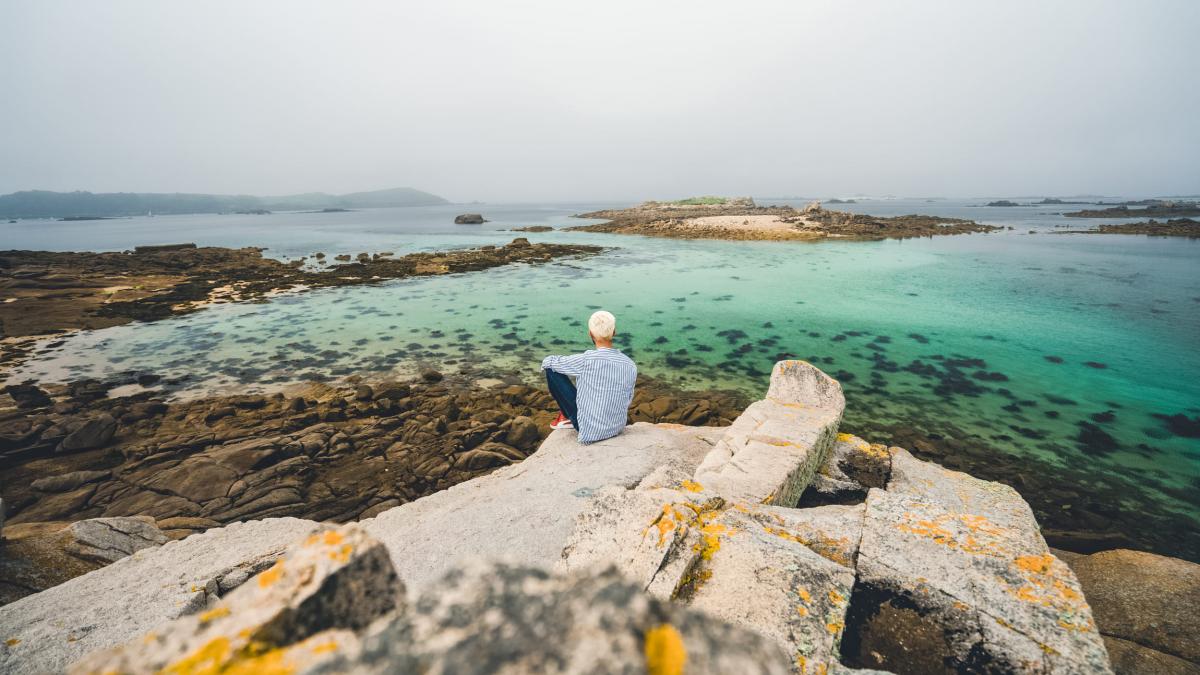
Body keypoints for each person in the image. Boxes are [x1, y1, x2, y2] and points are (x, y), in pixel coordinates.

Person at [541, 310, 637, 443]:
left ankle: (567, 417)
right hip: (617, 428)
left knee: (552, 370)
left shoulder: (586, 360)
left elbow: (548, 362)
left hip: (589, 430)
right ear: (614, 332)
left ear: (590, 334)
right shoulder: (630, 364)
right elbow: (628, 399)